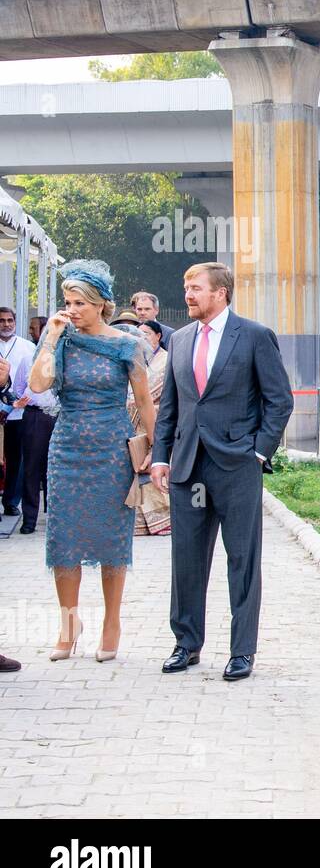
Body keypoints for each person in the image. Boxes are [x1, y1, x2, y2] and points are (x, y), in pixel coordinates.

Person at [150, 262, 293, 682]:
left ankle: (242, 651)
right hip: (188, 465)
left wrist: (258, 453)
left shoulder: (253, 336)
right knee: (187, 560)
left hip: (236, 467)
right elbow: (170, 408)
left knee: (243, 559)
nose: (188, 295)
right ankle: (186, 644)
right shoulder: (179, 341)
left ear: (221, 293)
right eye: (186, 287)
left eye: (195, 288)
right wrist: (161, 456)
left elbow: (279, 401)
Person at [29, 260, 155, 663]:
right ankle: (68, 625)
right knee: (64, 540)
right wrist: (50, 338)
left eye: (80, 302)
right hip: (66, 449)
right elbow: (36, 386)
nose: (72, 309)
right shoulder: (62, 340)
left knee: (110, 540)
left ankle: (112, 622)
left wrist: (155, 449)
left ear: (101, 304)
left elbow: (143, 400)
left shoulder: (126, 344)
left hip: (112, 450)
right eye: (67, 302)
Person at [8, 321, 59, 534]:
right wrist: (23, 400)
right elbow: (18, 387)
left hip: (60, 415)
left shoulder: (65, 357)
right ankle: (29, 519)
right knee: (31, 467)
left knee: (56, 468)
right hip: (35, 415)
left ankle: (55, 517)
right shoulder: (30, 357)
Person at [127, 319, 170, 536]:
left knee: (154, 468)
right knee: (135, 472)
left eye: (147, 334)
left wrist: (152, 409)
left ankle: (163, 521)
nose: (142, 338)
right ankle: (139, 524)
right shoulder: (134, 360)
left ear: (158, 336)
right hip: (132, 427)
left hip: (158, 424)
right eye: (138, 334)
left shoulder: (166, 360)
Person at [0, 306, 36, 517]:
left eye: (9, 320)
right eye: (2, 321)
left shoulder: (27, 347)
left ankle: (12, 501)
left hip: (18, 412)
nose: (6, 324)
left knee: (16, 459)